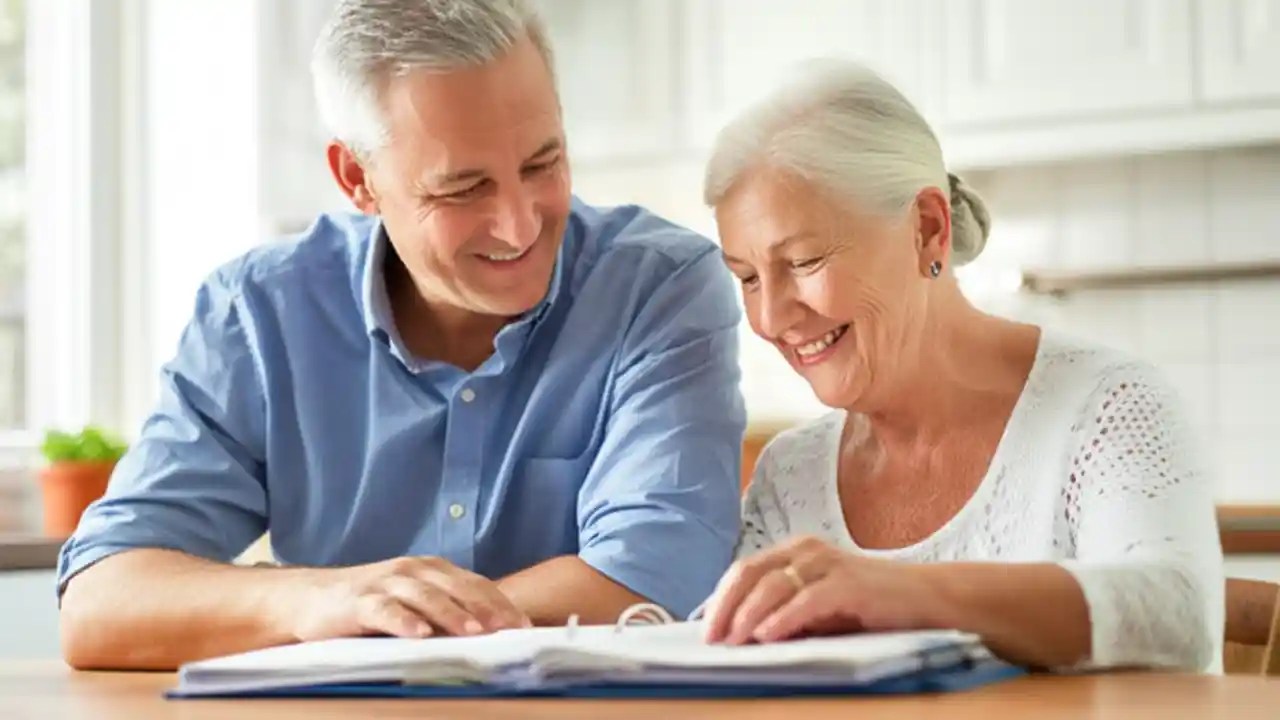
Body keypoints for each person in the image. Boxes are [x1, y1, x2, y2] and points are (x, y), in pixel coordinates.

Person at [57, 0, 745, 670]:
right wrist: (324, 599)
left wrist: (394, 625)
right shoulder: (259, 312)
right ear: (357, 178)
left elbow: (656, 579)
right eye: (463, 188)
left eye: (542, 163)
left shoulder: (657, 286)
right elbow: (100, 601)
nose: (520, 225)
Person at [697, 60, 1223, 672]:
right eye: (747, 278)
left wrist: (899, 593)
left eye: (806, 261)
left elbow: (1177, 616)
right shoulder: (791, 474)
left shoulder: (1106, 407)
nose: (769, 317)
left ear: (927, 229)